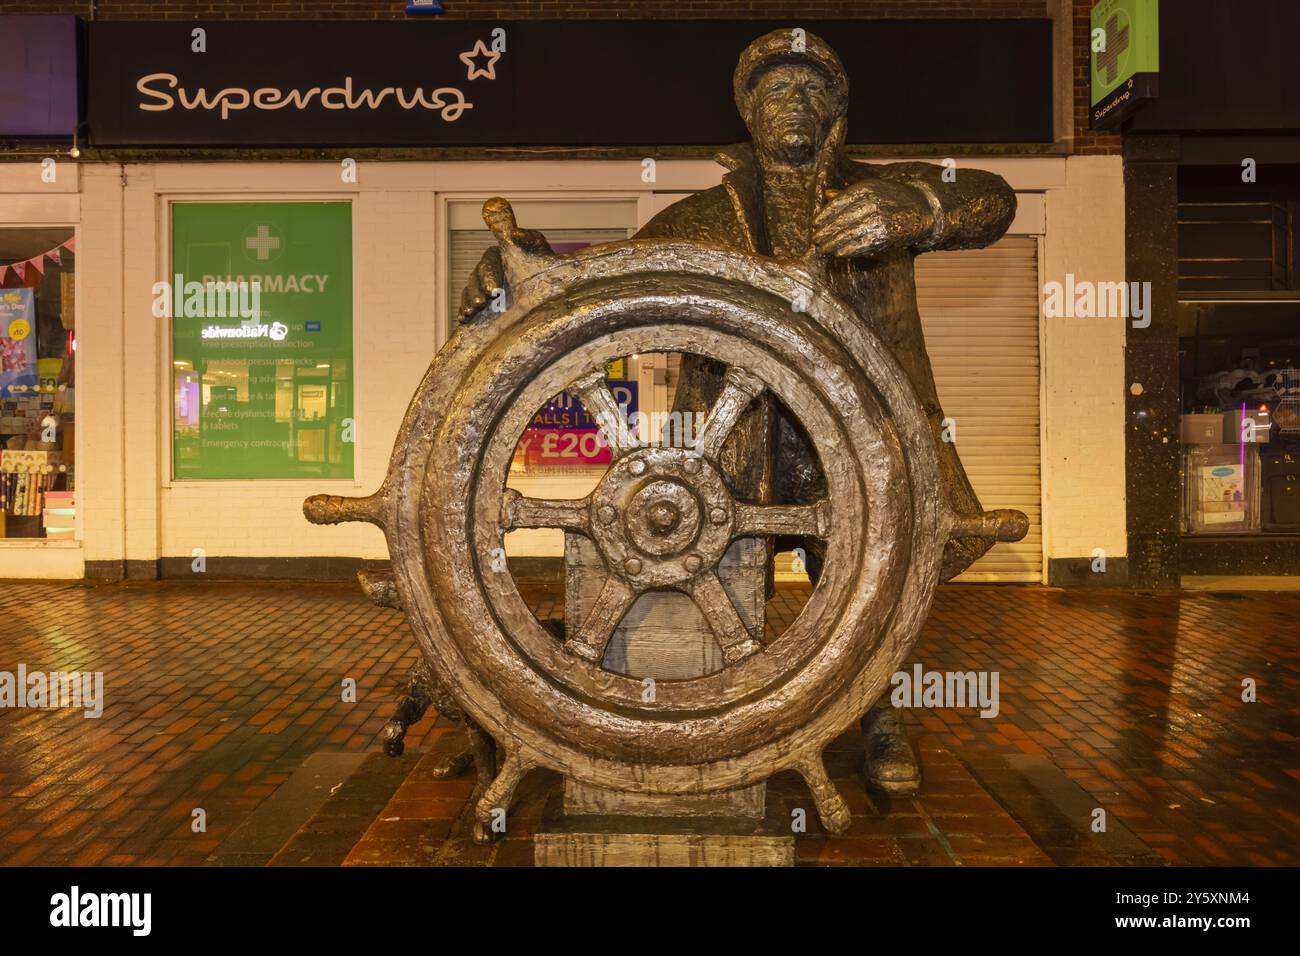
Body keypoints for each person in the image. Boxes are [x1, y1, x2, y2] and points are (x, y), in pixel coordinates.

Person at [458, 28, 1025, 795]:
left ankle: (882, 720)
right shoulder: (700, 218)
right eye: (775, 89)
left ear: (838, 111)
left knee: (881, 582)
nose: (794, 101)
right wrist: (518, 265)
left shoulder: (880, 192)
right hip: (741, 435)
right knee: (724, 583)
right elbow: (604, 278)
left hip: (859, 431)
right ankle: (735, 728)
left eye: (813, 88)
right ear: (748, 112)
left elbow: (992, 200)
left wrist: (919, 207)